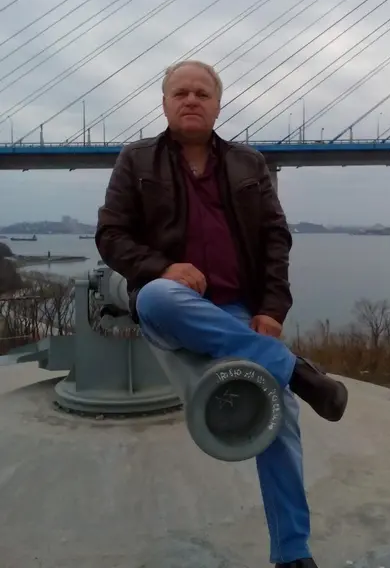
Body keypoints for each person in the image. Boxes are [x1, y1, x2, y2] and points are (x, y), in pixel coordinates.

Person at [95, 59, 348, 567]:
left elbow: (275, 240)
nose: (191, 100)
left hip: (236, 312)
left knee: (279, 410)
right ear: (164, 104)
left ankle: (293, 553)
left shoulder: (249, 163)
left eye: (202, 93)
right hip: (173, 307)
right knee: (157, 296)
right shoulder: (136, 159)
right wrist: (163, 267)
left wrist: (271, 310)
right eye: (180, 93)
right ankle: (296, 369)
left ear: (217, 105)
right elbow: (111, 234)